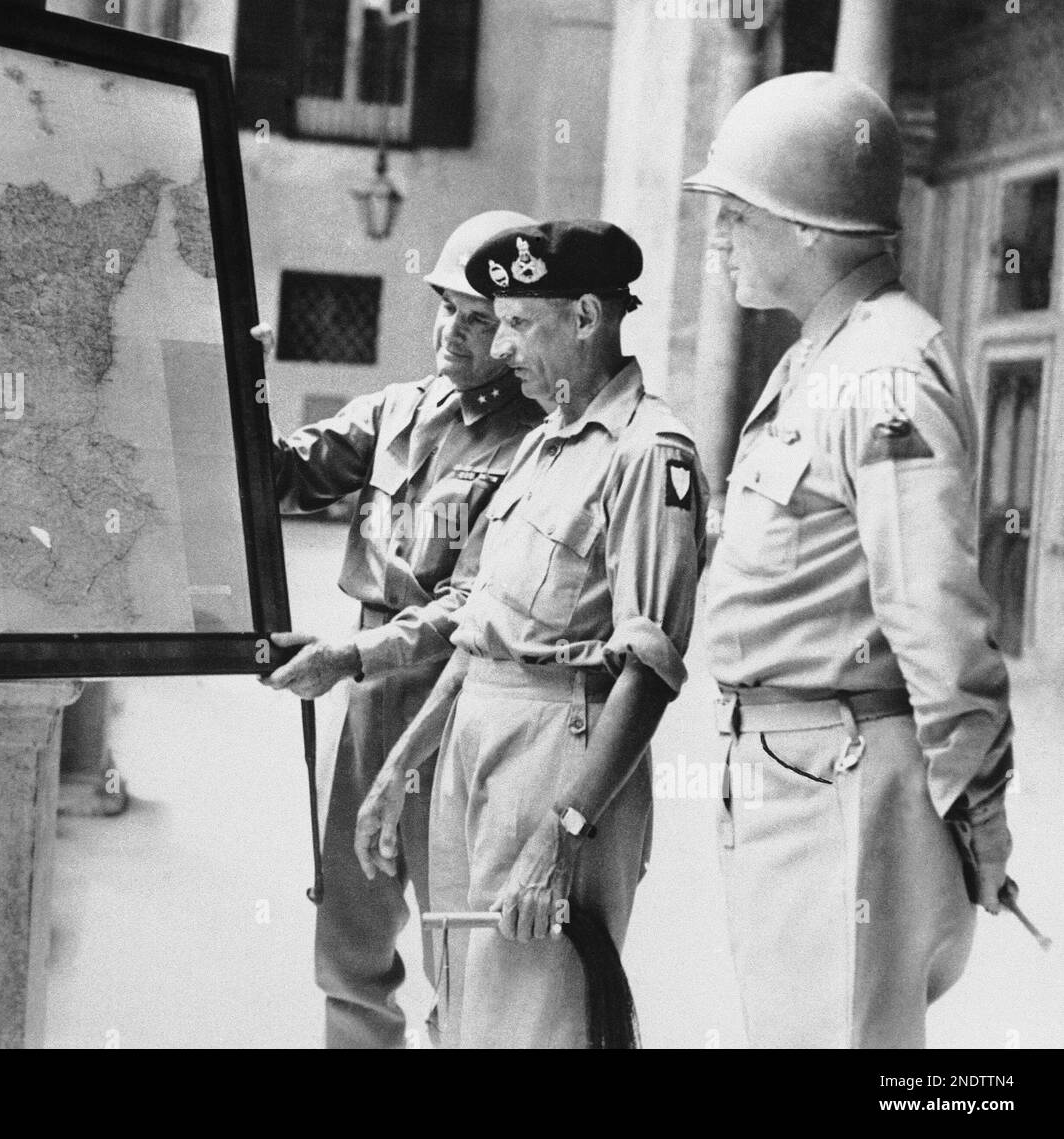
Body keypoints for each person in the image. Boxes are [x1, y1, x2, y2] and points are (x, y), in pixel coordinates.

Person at [682, 71, 1015, 1048]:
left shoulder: (880, 372)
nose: (720, 239)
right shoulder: (817, 360)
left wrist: (979, 812)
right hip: (799, 772)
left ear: (809, 228)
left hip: (845, 784)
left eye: (737, 215)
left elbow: (937, 621)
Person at [354, 220, 708, 1048]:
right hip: (472, 747)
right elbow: (480, 627)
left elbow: (649, 668)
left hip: (558, 756)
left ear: (585, 317)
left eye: (519, 322)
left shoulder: (651, 453)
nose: (501, 345)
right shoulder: (542, 443)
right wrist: (400, 765)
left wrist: (565, 832)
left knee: (533, 1021)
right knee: (464, 1012)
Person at [259, 211, 545, 1049]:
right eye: (447, 307)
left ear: (518, 330)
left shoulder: (533, 443)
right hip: (366, 698)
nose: (453, 332)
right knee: (349, 940)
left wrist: (351, 654)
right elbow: (278, 478)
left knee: (455, 950)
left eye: (479, 319)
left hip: (455, 709)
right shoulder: (398, 411)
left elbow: (469, 604)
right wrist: (245, 380)